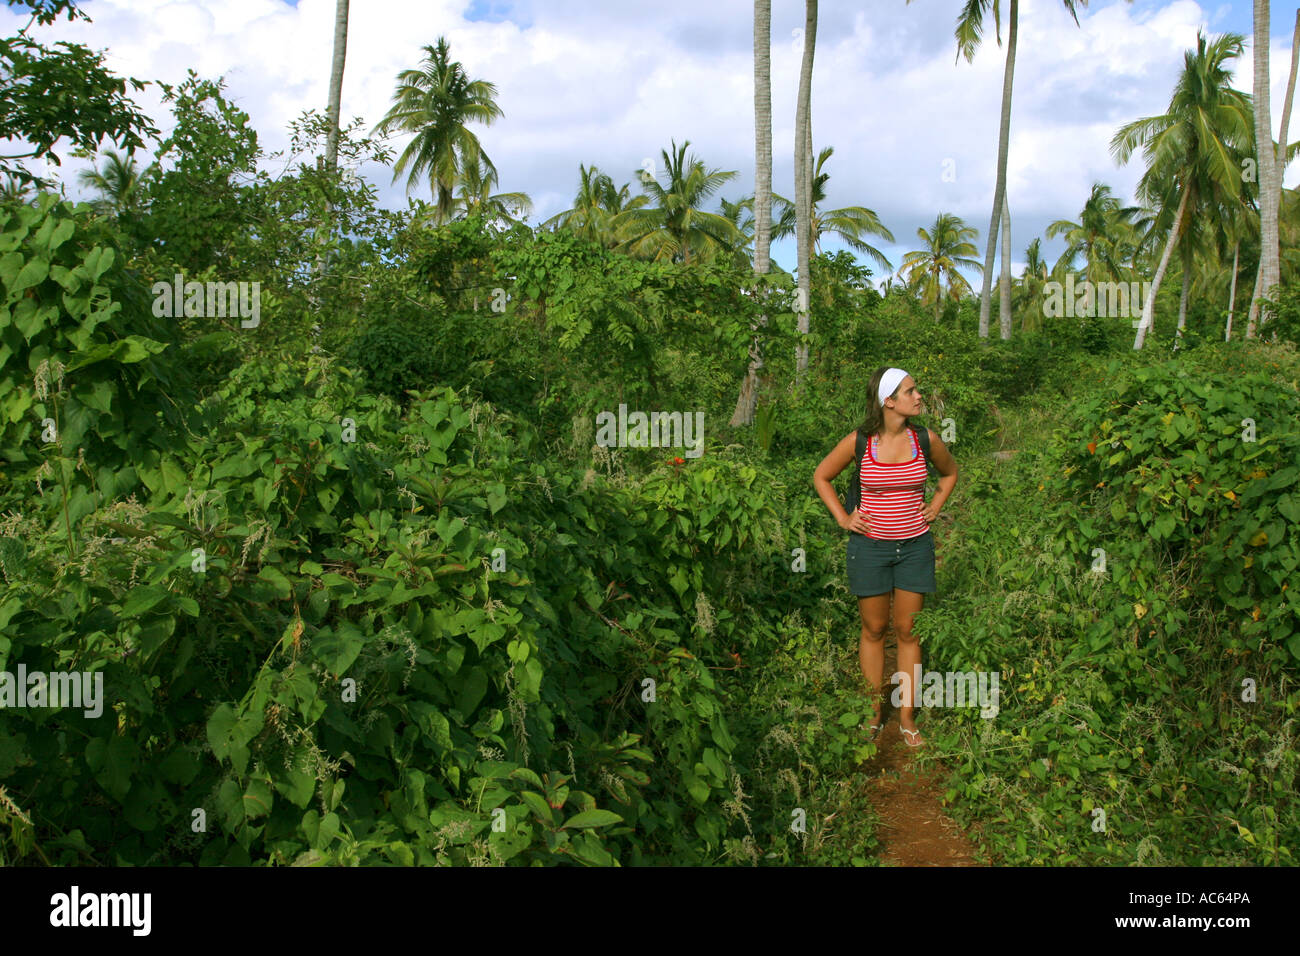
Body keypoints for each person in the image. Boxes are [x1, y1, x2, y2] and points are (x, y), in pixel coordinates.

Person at [812, 367, 958, 748]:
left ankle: (907, 718)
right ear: (888, 401)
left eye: (917, 390)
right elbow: (821, 476)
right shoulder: (860, 442)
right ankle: (873, 714)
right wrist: (844, 518)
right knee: (874, 631)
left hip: (915, 548)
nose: (919, 396)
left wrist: (936, 506)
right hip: (870, 549)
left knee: (908, 632)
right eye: (910, 391)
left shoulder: (925, 439)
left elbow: (950, 474)